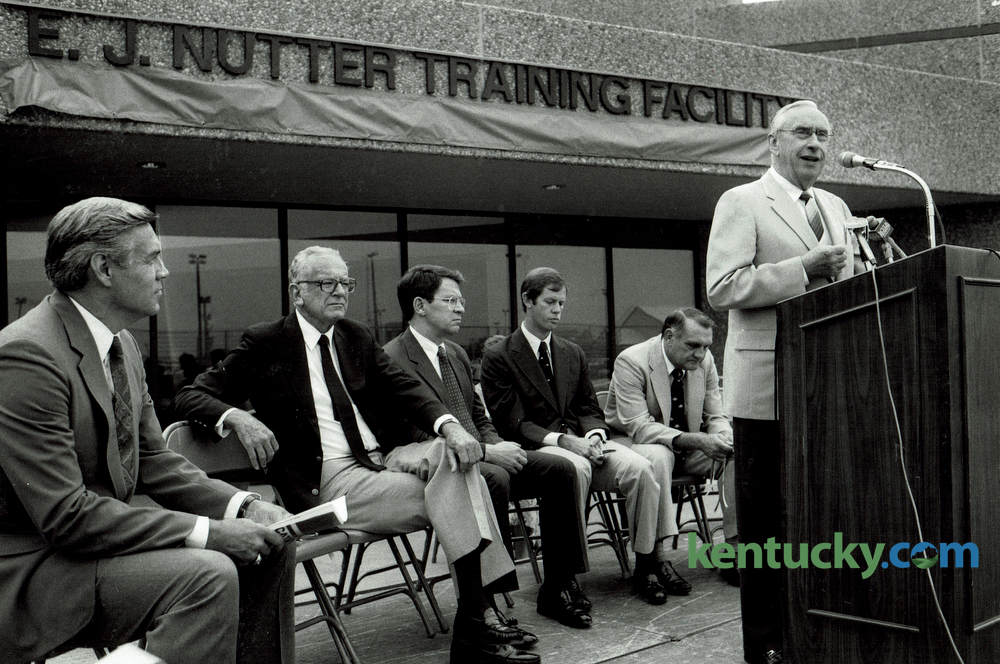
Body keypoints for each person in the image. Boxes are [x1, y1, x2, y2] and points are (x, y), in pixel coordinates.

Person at [174, 247, 538, 664]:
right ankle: (476, 622)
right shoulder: (266, 342)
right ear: (297, 292)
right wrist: (236, 415)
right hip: (326, 480)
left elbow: (404, 387)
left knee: (454, 456)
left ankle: (475, 623)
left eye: (344, 283)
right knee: (462, 484)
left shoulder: (355, 335)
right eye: (326, 283)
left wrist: (450, 426)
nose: (339, 292)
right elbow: (189, 395)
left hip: (377, 462)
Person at [0, 197, 296, 664]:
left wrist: (244, 506)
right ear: (103, 268)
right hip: (36, 571)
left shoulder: (123, 344)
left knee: (269, 546)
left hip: (95, 551)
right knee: (208, 572)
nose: (165, 272)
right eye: (152, 257)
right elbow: (67, 518)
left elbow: (154, 461)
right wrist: (208, 532)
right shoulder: (26, 356)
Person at [706, 99, 863, 664]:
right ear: (773, 142)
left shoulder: (837, 205)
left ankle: (820, 633)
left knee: (824, 518)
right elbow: (723, 287)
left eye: (823, 133)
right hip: (768, 389)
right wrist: (803, 269)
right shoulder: (742, 201)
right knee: (768, 528)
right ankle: (768, 646)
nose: (815, 144)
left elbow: (852, 281)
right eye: (802, 133)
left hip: (832, 388)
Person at [383, 265, 589, 628]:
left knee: (560, 469)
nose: (461, 308)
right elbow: (412, 435)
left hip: (483, 456)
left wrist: (497, 445)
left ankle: (557, 586)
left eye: (461, 301)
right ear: (420, 305)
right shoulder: (392, 359)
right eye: (450, 300)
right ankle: (488, 603)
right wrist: (489, 454)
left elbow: (479, 417)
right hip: (441, 465)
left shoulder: (456, 354)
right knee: (494, 478)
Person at [481, 267, 691, 611]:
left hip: (585, 445)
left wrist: (593, 435)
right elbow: (512, 422)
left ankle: (647, 565)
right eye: (550, 302)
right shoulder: (500, 356)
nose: (558, 310)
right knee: (574, 468)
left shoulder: (571, 352)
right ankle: (566, 578)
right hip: (542, 451)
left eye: (562, 303)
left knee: (641, 468)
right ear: (527, 301)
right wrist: (565, 441)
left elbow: (588, 407)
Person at [603, 307, 739, 586]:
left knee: (735, 455)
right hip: (631, 444)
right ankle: (657, 558)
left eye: (705, 347)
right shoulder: (632, 361)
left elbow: (715, 416)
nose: (700, 354)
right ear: (668, 337)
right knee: (659, 454)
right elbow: (639, 427)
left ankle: (733, 552)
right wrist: (700, 440)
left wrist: (723, 437)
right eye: (693, 346)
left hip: (686, 447)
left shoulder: (705, 361)